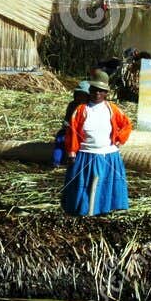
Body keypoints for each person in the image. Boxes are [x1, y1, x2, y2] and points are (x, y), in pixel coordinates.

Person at [61, 69, 131, 216]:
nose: (97, 93)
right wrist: (72, 152)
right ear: (89, 91)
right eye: (94, 90)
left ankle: (103, 211)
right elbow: (72, 131)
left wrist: (118, 139)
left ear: (106, 93)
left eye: (101, 91)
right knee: (83, 187)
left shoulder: (112, 109)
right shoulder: (81, 110)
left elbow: (126, 125)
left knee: (104, 186)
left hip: (109, 155)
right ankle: (84, 212)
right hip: (86, 155)